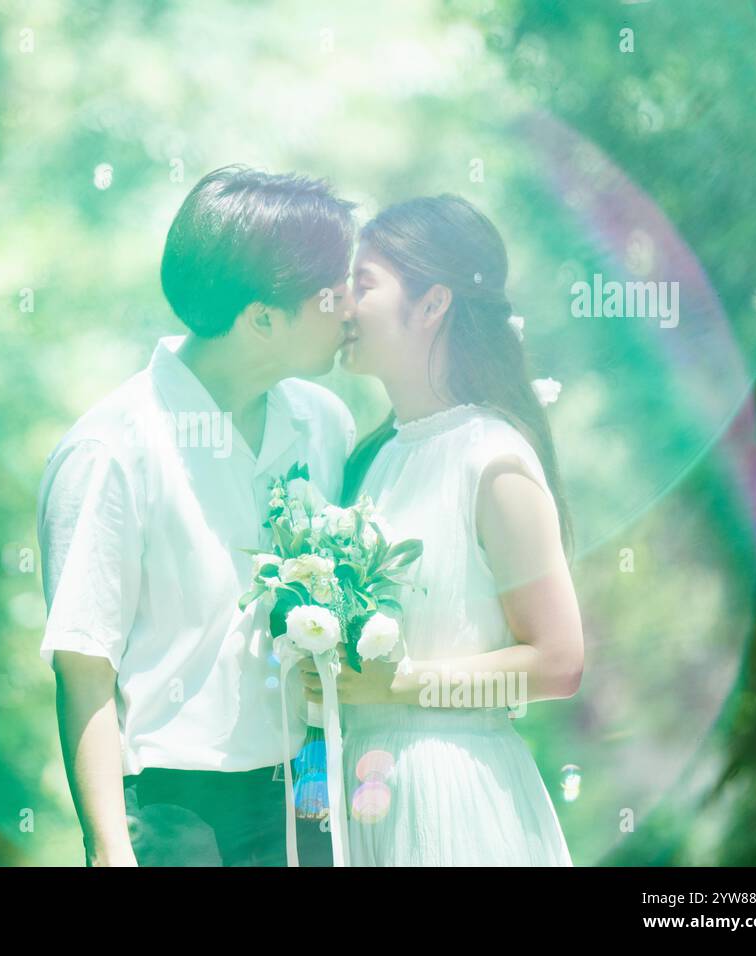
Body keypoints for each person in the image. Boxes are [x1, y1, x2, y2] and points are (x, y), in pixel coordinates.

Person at [38, 166, 358, 865]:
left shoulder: (324, 423)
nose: (352, 307)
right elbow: (84, 665)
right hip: (178, 810)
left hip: (310, 796)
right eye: (334, 291)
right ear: (263, 318)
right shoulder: (114, 448)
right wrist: (110, 847)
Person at [301, 194, 583, 865]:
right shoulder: (370, 459)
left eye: (363, 284)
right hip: (361, 796)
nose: (343, 305)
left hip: (452, 798)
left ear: (432, 305)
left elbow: (558, 662)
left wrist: (402, 684)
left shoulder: (493, 459)